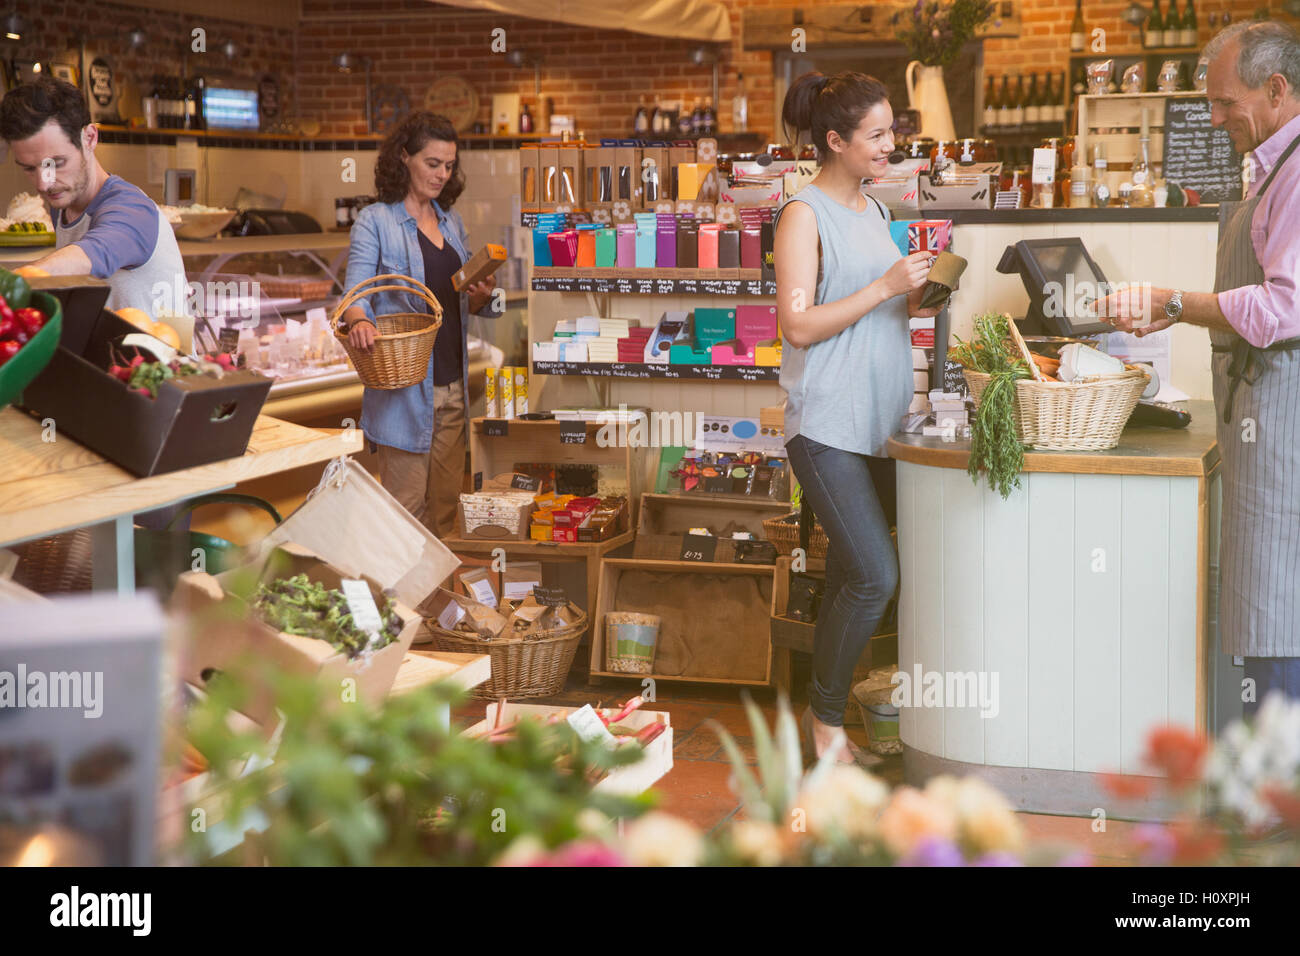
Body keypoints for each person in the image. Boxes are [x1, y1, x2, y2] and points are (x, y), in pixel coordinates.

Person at [1101, 21, 1300, 714]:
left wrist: (1176, 303)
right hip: (1262, 412)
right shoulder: (1275, 162)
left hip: (1284, 415)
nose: (1213, 118)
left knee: (1279, 602)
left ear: (1276, 90)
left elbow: (1285, 306)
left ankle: (1275, 789)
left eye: (1224, 102)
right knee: (1267, 595)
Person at [775, 71, 940, 765]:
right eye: (875, 135)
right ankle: (825, 726)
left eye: (891, 130)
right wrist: (882, 286)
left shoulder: (876, 211)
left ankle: (829, 724)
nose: (889, 144)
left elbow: (878, 312)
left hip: (879, 426)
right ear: (835, 141)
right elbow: (799, 325)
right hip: (825, 429)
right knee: (876, 575)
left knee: (851, 579)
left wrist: (918, 296)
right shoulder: (802, 214)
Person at [342, 111, 499, 538]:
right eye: (433, 164)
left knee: (444, 518)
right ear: (404, 157)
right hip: (404, 396)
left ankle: (435, 606)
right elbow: (355, 295)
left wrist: (482, 297)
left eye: (449, 166)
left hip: (452, 390)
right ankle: (397, 606)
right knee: (403, 520)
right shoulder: (375, 221)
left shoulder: (452, 222)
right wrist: (360, 322)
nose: (442, 175)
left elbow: (464, 296)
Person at [0, 77, 187, 313]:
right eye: (29, 168)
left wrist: (10, 288)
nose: (43, 183)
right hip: (113, 348)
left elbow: (91, 254)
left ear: (89, 138)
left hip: (163, 350)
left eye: (56, 163)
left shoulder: (131, 209)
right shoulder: (63, 202)